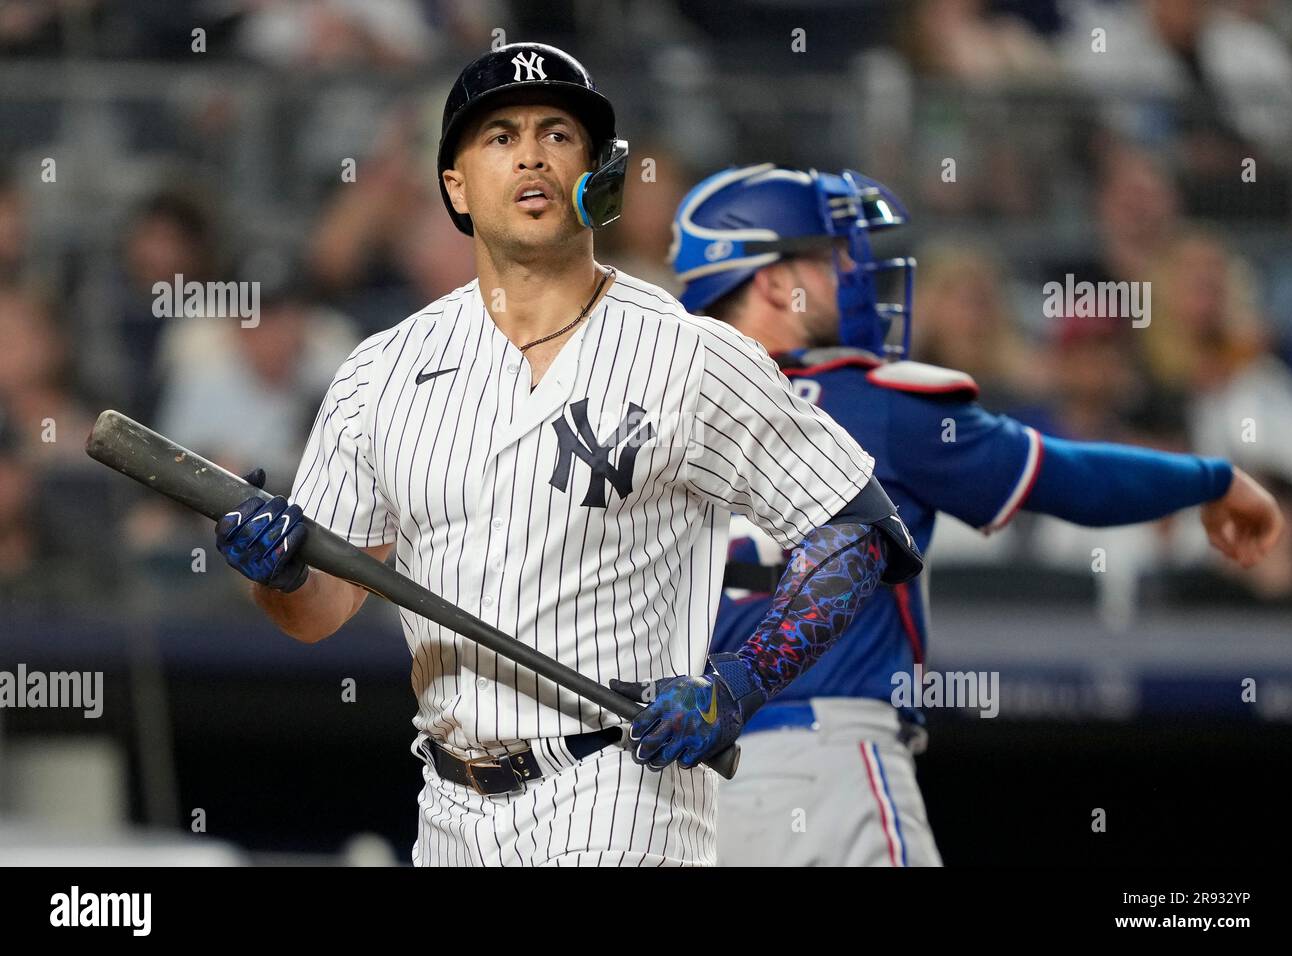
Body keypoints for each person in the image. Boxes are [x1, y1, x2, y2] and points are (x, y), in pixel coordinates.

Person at [212, 45, 922, 867]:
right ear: (454, 186)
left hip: (622, 788)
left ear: (599, 176)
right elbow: (318, 612)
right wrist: (276, 573)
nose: (531, 153)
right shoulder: (381, 371)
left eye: (558, 133)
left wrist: (741, 681)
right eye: (499, 136)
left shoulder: (688, 354)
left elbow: (853, 529)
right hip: (447, 805)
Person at [669, 163, 1285, 866]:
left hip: (686, 798)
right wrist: (1213, 479)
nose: (852, 270)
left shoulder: (651, 426)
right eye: (828, 255)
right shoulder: (876, 403)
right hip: (830, 764)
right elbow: (1071, 480)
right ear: (775, 281)